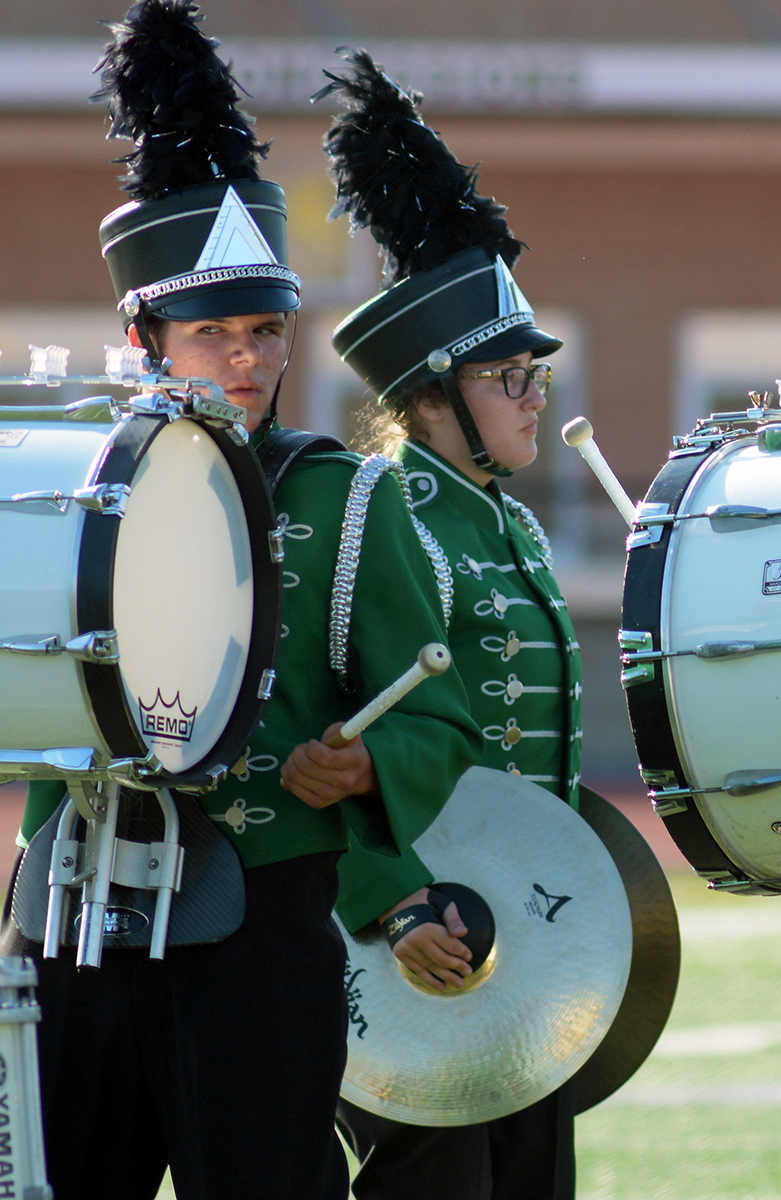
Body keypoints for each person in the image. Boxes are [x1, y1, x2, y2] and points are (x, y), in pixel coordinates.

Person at [0, 6, 482, 1198]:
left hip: (259, 934)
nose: (249, 359)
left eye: (265, 331)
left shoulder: (347, 498)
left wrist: (366, 770)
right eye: (211, 333)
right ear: (143, 336)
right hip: (72, 915)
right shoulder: (61, 485)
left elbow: (440, 713)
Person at [315, 52, 584, 1200]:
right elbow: (324, 737)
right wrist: (389, 902)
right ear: (431, 398)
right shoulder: (384, 516)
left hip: (516, 934)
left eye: (535, 374)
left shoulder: (501, 524)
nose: (535, 397)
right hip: (419, 933)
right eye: (509, 377)